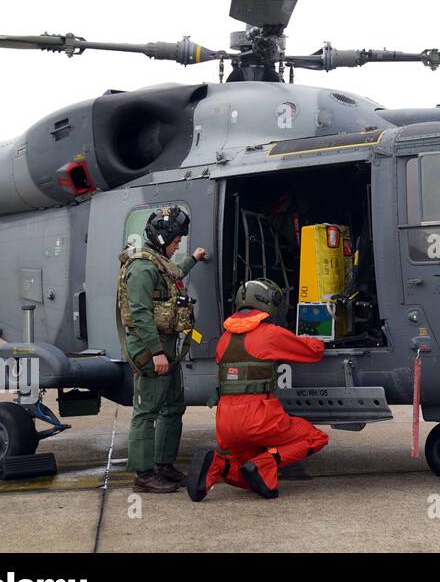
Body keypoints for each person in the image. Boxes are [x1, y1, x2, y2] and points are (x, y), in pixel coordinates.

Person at [185, 279, 329, 501]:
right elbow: (314, 352)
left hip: (226, 425)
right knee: (316, 437)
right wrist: (315, 336)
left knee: (249, 475)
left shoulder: (224, 340)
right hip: (260, 419)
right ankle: (268, 461)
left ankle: (218, 465)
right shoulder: (270, 334)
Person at [117, 205, 208, 494]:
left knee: (172, 407)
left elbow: (175, 273)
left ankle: (163, 466)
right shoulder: (141, 269)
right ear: (160, 239)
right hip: (150, 348)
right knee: (147, 411)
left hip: (167, 346)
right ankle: (144, 475)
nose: (178, 245)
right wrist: (156, 352)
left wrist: (193, 259)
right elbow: (141, 313)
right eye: (175, 241)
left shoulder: (159, 264)